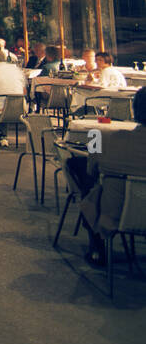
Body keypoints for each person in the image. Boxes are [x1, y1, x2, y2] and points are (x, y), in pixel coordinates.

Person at [66, 88, 146, 266]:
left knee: (86, 181)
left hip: (114, 215)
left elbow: (90, 170)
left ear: (134, 110)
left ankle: (97, 248)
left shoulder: (102, 138)